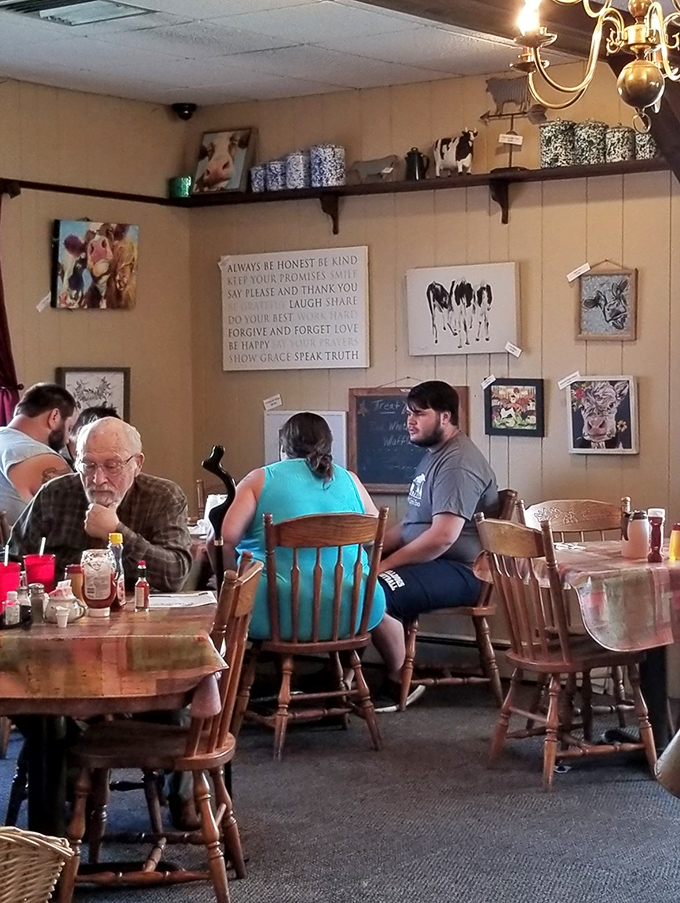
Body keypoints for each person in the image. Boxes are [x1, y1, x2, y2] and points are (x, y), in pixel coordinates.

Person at [371, 380, 499, 708]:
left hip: (462, 570)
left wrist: (381, 566)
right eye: (408, 414)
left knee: (372, 591)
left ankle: (400, 680)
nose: (409, 421)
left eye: (419, 414)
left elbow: (442, 537)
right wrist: (365, 548)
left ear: (445, 417)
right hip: (437, 563)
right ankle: (342, 675)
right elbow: (412, 526)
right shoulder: (435, 455)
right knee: (347, 575)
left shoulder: (457, 463)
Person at [220, 411, 385, 642]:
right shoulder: (351, 480)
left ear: (283, 446)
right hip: (354, 611)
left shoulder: (259, 480)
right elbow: (374, 534)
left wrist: (232, 590)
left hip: (271, 612)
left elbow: (225, 539)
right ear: (328, 445)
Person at [9, 417, 191, 592]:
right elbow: (12, 559)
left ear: (137, 464)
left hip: (138, 616)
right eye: (88, 465)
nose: (98, 479)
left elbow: (175, 575)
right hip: (60, 614)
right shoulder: (54, 494)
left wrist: (116, 532)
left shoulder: (163, 496)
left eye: (112, 466)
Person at [0, 382, 76, 525]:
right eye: (70, 428)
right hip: (22, 547)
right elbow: (78, 523)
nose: (67, 440)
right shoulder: (44, 458)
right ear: (54, 417)